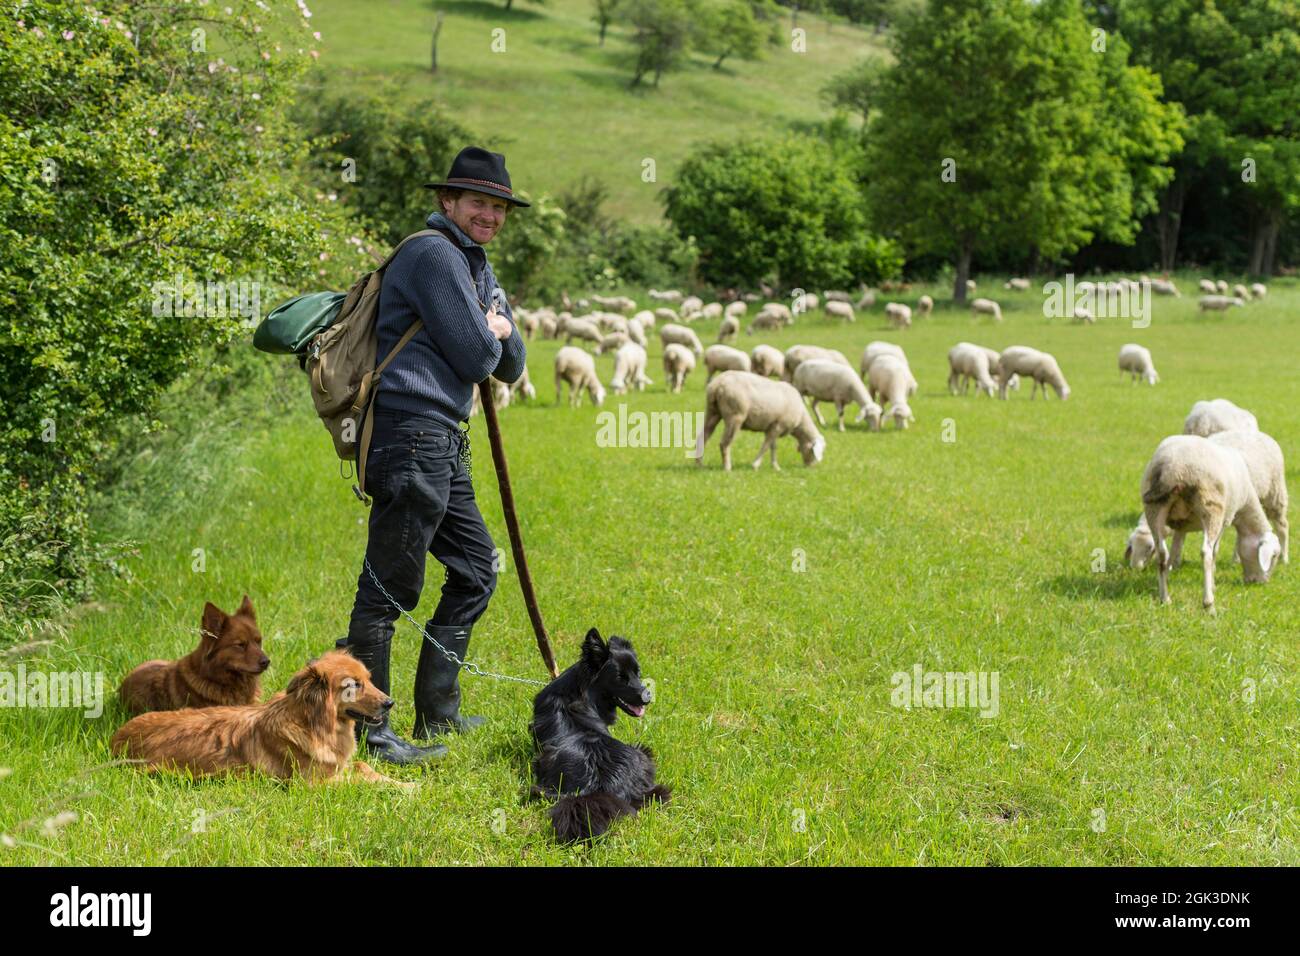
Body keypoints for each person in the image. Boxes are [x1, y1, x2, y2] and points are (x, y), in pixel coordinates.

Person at [337, 147, 529, 764]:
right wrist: (492, 330)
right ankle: (369, 731)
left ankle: (437, 712)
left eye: (499, 206)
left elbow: (513, 365)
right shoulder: (432, 254)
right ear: (448, 201)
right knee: (388, 589)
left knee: (476, 569)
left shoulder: (475, 264)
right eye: (479, 202)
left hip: (442, 440)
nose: (490, 215)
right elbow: (480, 360)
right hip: (409, 433)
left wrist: (496, 334)